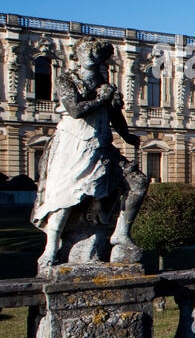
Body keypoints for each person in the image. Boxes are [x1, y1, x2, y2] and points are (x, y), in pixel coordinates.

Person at [31, 39, 146, 269]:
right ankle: (51, 246)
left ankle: (121, 234)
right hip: (75, 144)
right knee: (65, 197)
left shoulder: (106, 84)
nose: (92, 55)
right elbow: (74, 109)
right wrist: (101, 99)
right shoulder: (67, 80)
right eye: (87, 51)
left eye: (98, 52)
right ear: (78, 54)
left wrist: (126, 136)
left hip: (101, 145)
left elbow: (116, 116)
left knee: (138, 182)